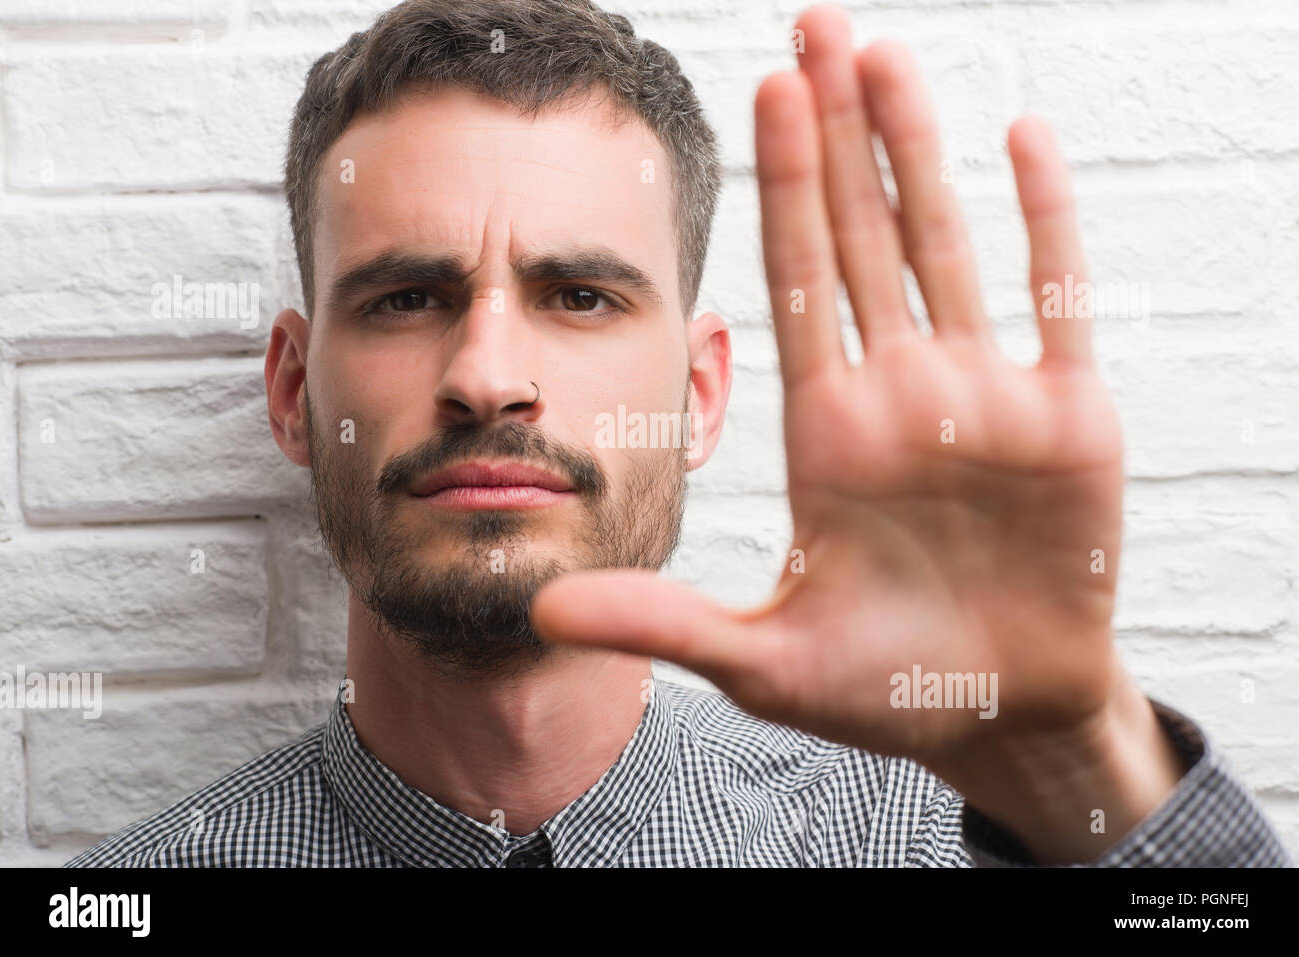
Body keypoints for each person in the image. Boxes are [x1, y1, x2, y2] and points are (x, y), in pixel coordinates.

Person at [67, 0, 1288, 867]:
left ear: (699, 396)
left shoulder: (930, 848)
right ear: (292, 392)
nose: (489, 377)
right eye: (407, 298)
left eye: (580, 296)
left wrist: (1080, 767)